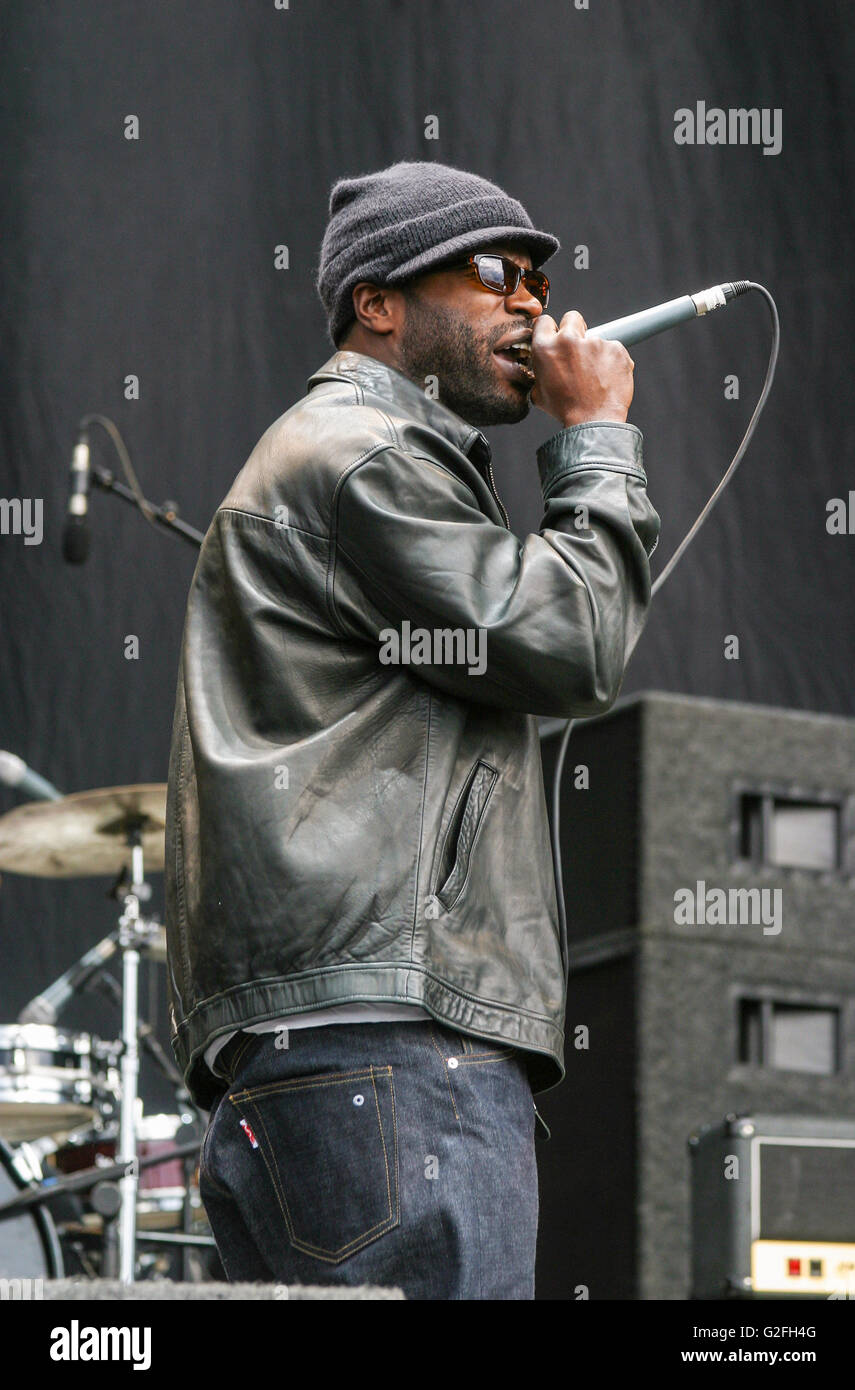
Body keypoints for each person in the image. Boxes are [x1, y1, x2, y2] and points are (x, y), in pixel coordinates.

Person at [164, 160, 660, 1299]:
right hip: (390, 1040)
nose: (529, 302)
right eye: (492, 271)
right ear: (377, 302)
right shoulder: (367, 454)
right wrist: (596, 438)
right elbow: (570, 640)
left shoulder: (342, 451)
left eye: (538, 279)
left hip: (333, 1052)